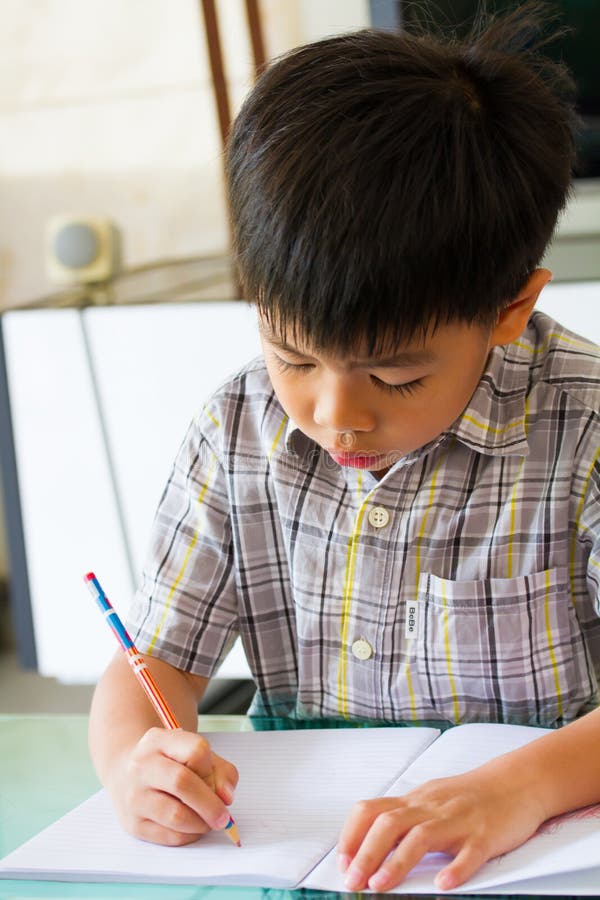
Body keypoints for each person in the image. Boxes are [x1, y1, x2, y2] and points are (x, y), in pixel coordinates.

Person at [89, 1, 600, 891]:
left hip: (534, 856)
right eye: (291, 355)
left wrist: (512, 790)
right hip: (308, 858)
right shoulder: (236, 430)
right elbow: (155, 661)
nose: (335, 415)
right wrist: (138, 758)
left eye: (396, 377)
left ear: (511, 310)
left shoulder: (585, 428)